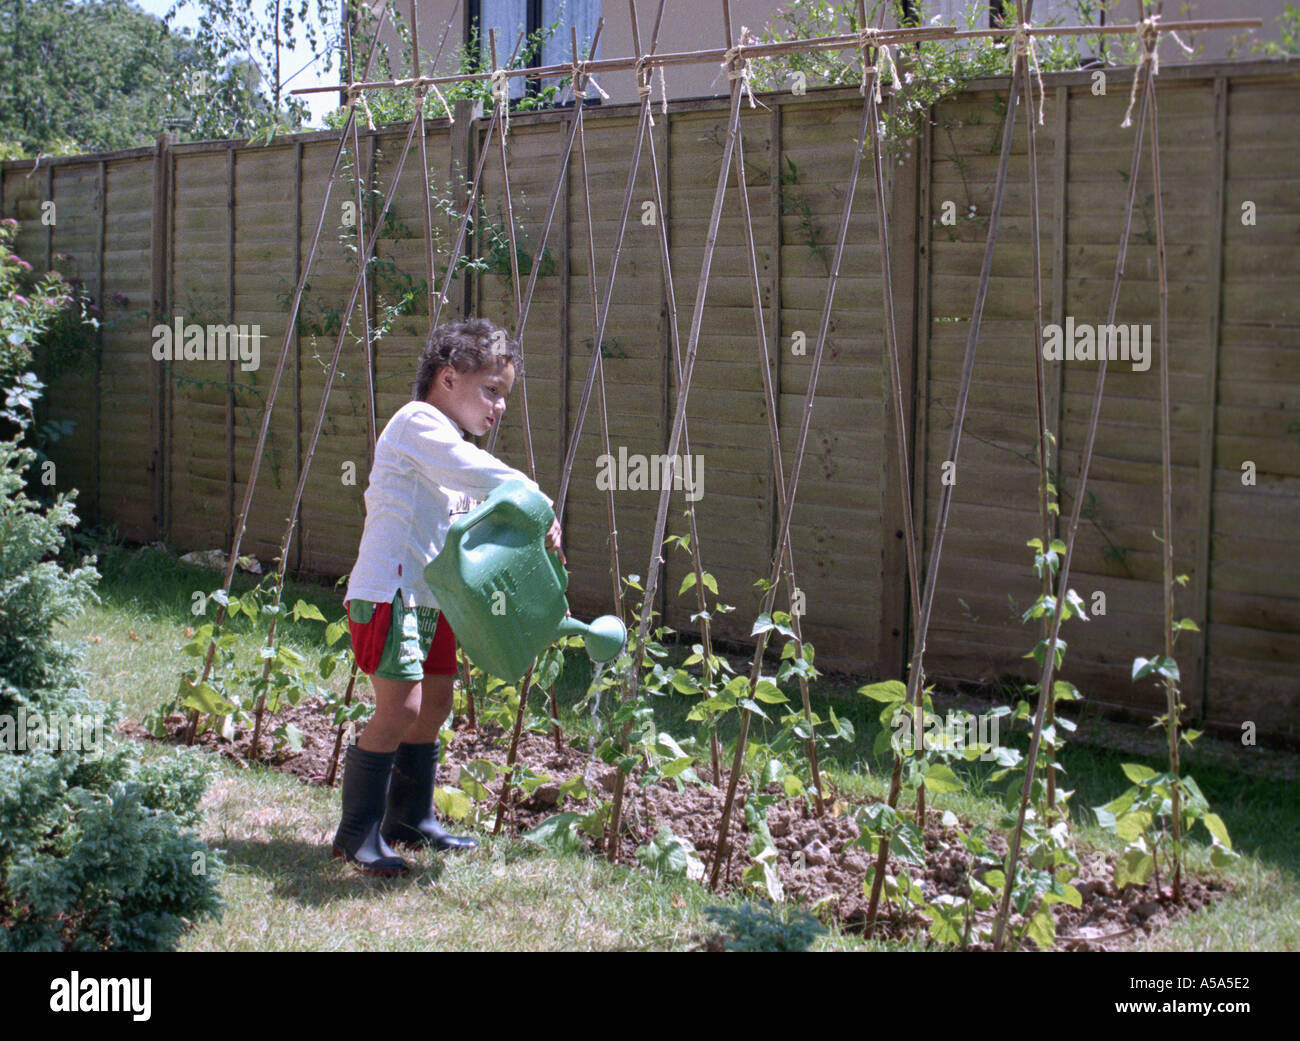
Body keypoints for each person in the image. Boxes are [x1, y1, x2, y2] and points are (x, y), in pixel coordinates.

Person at [332, 318, 562, 876]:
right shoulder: (418, 425)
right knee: (401, 706)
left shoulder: (447, 451)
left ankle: (410, 820)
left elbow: (479, 527)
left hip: (431, 600)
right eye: (492, 389)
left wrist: (536, 533)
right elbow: (475, 471)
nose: (500, 406)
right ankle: (355, 834)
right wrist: (533, 494)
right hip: (389, 592)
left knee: (434, 706)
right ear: (448, 378)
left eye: (504, 394)